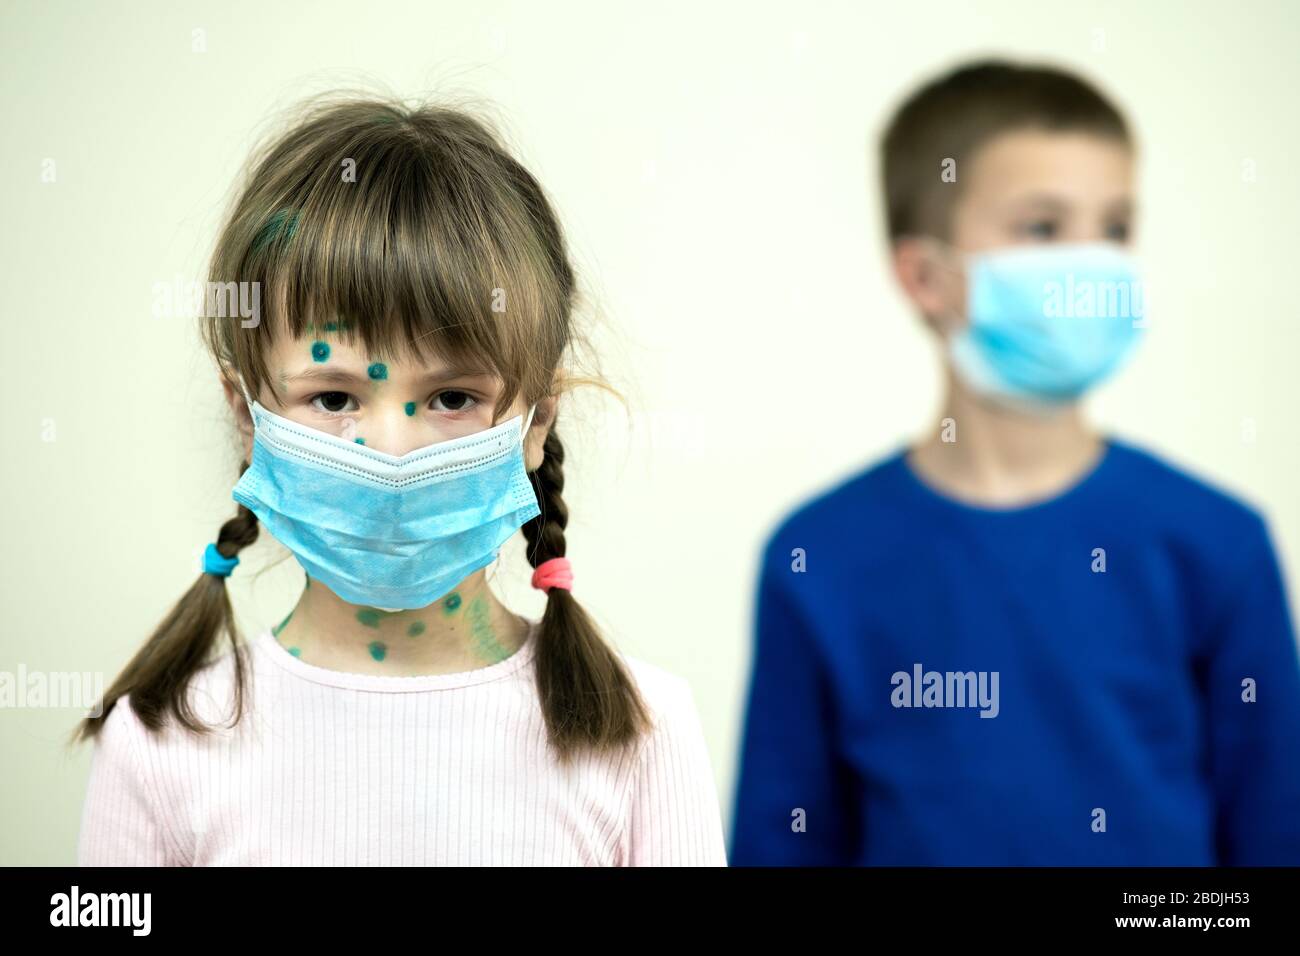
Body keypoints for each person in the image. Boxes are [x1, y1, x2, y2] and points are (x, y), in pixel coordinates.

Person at [74, 95, 726, 866]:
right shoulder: (160, 744)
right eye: (334, 397)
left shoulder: (642, 734)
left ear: (538, 420)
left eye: (452, 398)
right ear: (247, 416)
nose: (390, 454)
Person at [730, 59, 1300, 865]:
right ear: (926, 276)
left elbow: (1273, 838)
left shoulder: (1219, 544)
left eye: (1115, 227)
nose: (1092, 268)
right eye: (1041, 227)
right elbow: (782, 843)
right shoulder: (817, 556)